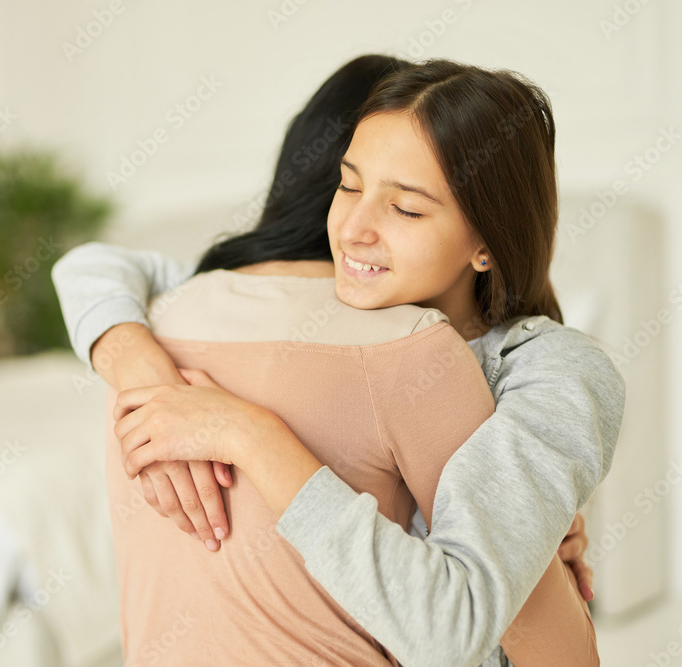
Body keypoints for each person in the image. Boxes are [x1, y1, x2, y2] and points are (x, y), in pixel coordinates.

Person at [57, 57, 623, 666]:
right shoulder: (299, 305)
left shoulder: (552, 370)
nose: (352, 229)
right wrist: (145, 370)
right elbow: (92, 267)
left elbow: (456, 629)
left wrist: (247, 432)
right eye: (348, 185)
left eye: (405, 208)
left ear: (485, 243)